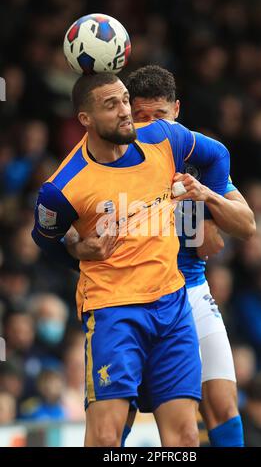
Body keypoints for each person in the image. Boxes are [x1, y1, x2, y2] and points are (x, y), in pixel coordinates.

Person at [31, 72, 230, 447]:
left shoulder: (164, 138)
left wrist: (210, 215)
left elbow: (218, 154)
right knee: (106, 438)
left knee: (187, 437)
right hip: (113, 312)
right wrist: (76, 249)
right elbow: (44, 238)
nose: (125, 112)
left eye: (125, 100)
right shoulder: (62, 187)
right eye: (112, 105)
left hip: (173, 307)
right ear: (85, 120)